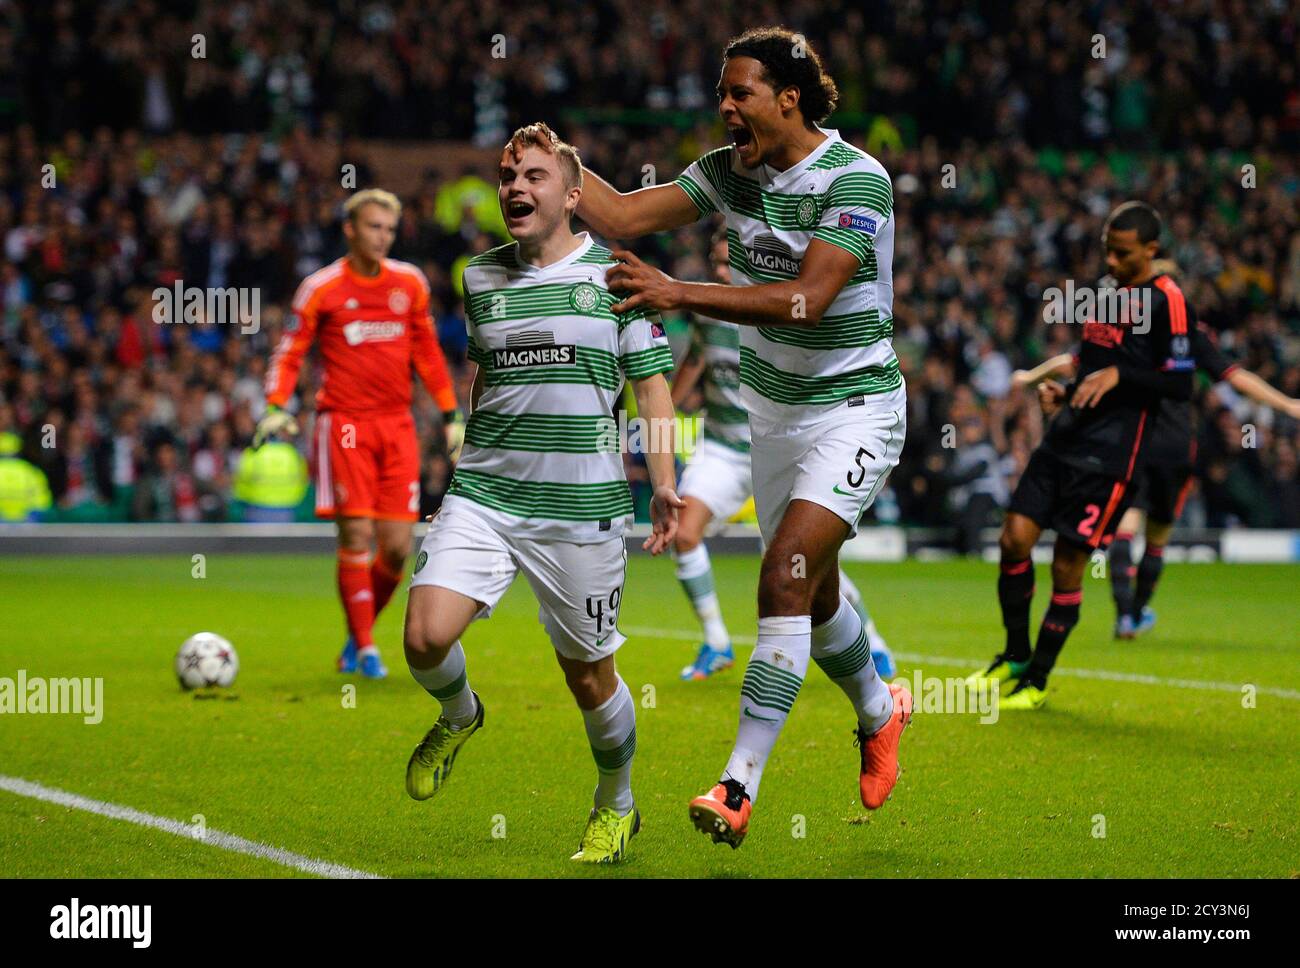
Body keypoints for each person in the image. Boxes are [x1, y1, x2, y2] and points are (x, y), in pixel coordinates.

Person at [573, 26, 911, 849]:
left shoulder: (855, 179)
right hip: (771, 416)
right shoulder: (728, 170)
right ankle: (878, 710)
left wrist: (678, 292)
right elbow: (619, 212)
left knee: (783, 576)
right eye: (722, 94)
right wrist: (552, 156)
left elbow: (808, 301)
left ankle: (737, 783)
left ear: (787, 97)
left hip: (854, 407)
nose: (725, 108)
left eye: (739, 93)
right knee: (817, 591)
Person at [401, 124, 681, 864]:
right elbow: (484, 377)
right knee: (424, 637)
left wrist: (666, 486)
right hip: (486, 494)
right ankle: (461, 715)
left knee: (588, 678)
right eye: (505, 176)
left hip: (580, 509)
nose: (515, 188)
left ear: (573, 194)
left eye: (532, 175)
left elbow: (652, 390)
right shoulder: (480, 278)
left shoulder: (618, 278)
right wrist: (463, 466)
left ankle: (616, 805)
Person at [966, 202, 1195, 710]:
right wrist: (1065, 392)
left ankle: (1038, 681)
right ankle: (1016, 653)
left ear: (1151, 250)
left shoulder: (1169, 299)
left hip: (1111, 458)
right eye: (1106, 250)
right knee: (1014, 539)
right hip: (1065, 439)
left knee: (1067, 565)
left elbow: (1181, 382)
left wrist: (1122, 376)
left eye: (1123, 252)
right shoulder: (1107, 291)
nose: (1111, 260)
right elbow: (1093, 363)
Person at [256, 188, 464, 679]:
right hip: (344, 425)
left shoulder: (409, 283)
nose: (383, 237)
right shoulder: (321, 287)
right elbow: (289, 351)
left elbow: (428, 353)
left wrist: (452, 414)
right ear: (350, 229)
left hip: (397, 425)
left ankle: (357, 631)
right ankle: (367, 649)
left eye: (390, 229)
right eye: (373, 227)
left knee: (395, 547)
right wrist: (274, 406)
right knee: (356, 535)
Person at [671, 228, 896, 680]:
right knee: (684, 533)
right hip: (723, 447)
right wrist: (664, 413)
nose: (720, 273)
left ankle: (871, 637)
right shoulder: (708, 315)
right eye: (714, 264)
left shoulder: (778, 309)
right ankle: (716, 642)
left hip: (778, 446)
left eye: (727, 263)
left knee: (801, 563)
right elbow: (697, 361)